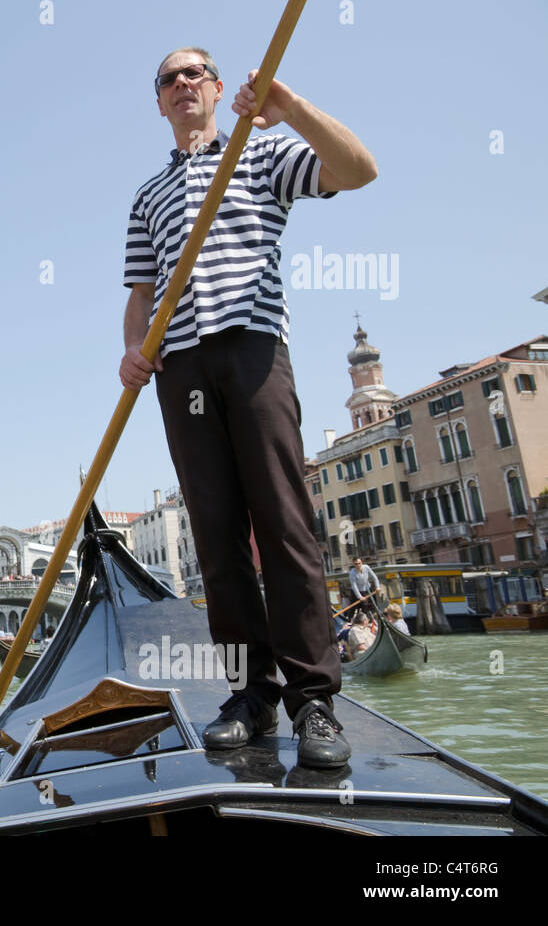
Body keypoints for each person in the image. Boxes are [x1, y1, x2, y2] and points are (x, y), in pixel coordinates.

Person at [120, 46, 377, 769]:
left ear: (218, 87)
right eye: (168, 79)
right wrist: (132, 349)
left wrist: (289, 108)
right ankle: (251, 693)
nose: (181, 84)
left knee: (285, 520)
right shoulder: (147, 196)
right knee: (215, 531)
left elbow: (360, 170)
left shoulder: (259, 156)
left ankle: (314, 698)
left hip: (254, 347)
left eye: (193, 72)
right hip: (181, 364)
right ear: (160, 101)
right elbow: (140, 295)